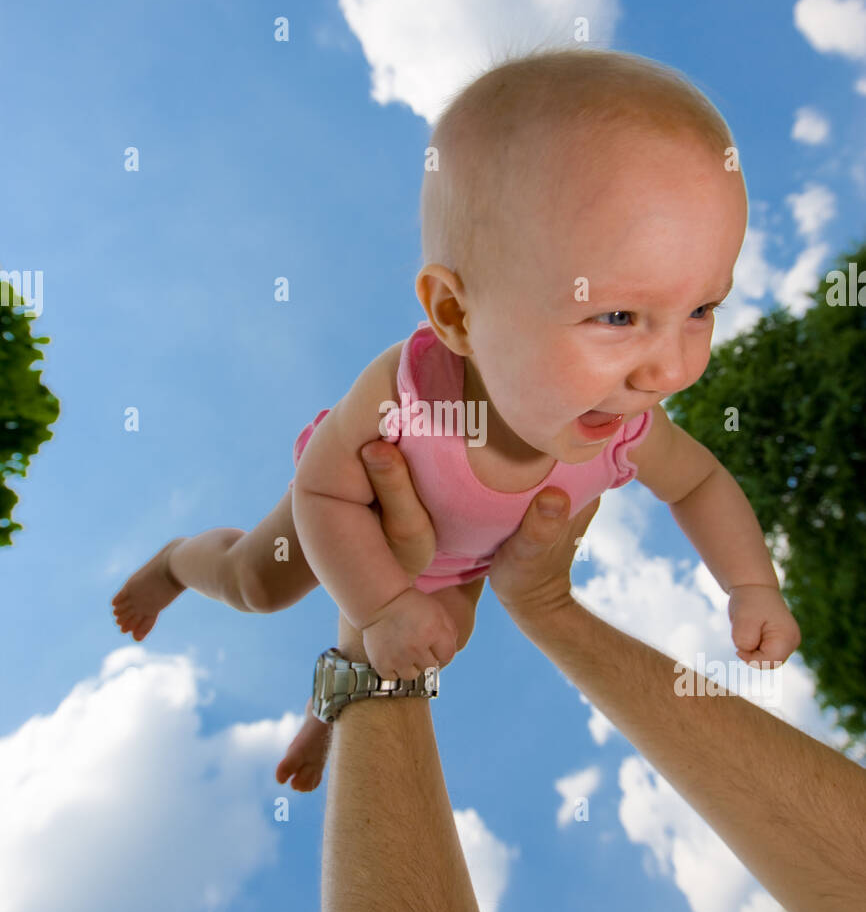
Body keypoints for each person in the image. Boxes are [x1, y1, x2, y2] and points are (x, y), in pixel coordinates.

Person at [112, 47, 800, 798]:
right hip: (348, 520)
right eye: (617, 316)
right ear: (455, 313)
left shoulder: (632, 426)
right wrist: (382, 602)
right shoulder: (408, 394)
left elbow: (698, 482)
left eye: (702, 309)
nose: (671, 370)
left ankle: (326, 713)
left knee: (429, 649)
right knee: (258, 586)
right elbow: (324, 497)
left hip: (453, 570)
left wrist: (749, 583)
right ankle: (179, 562)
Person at [305, 439, 866, 912]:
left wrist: (373, 623)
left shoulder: (625, 428)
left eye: (694, 329)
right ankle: (170, 572)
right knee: (242, 574)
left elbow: (696, 478)